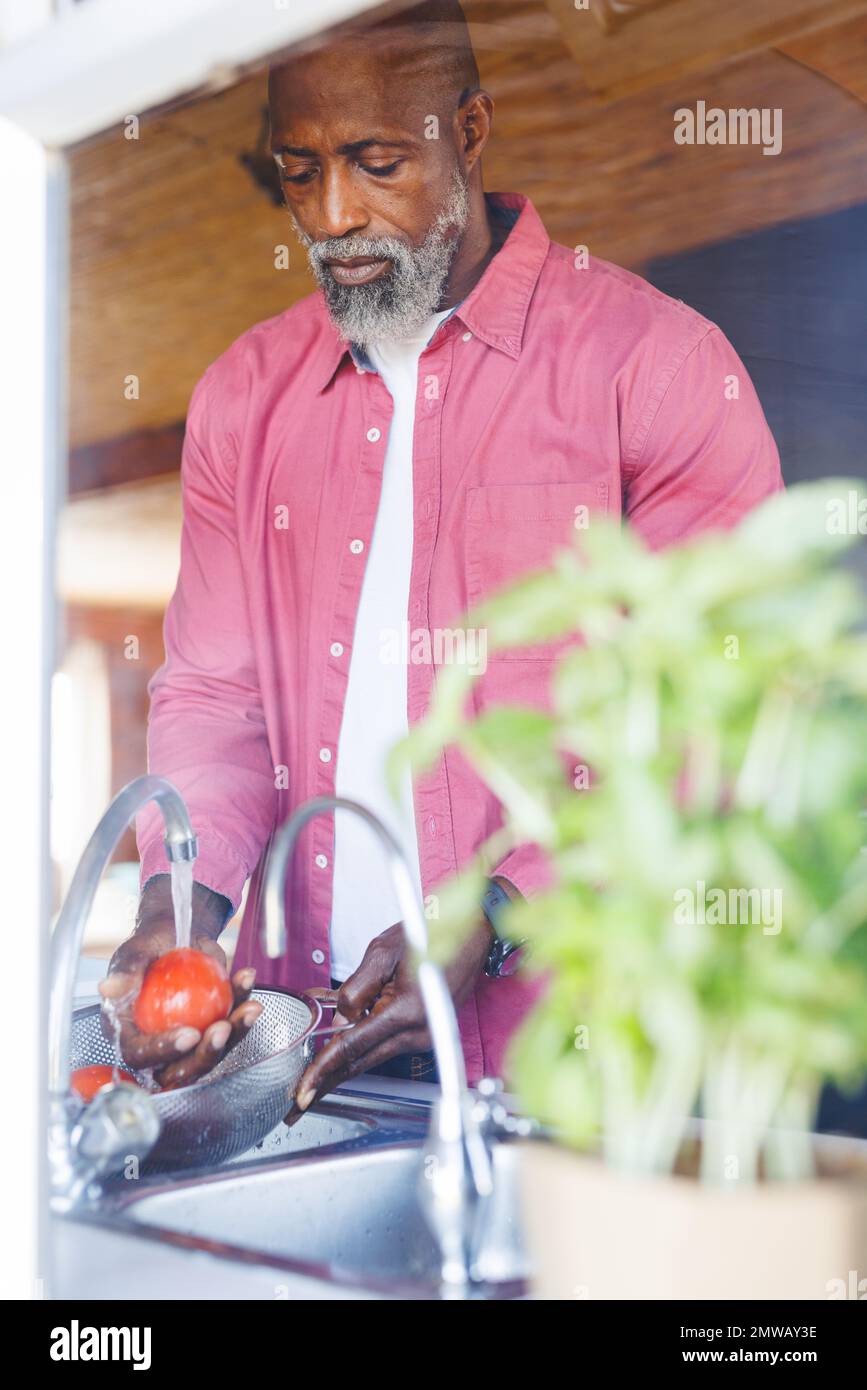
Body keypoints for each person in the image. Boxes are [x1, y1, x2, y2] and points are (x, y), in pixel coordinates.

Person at [100, 0, 782, 1107]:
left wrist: (492, 914)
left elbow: (715, 718)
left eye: (377, 162)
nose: (335, 213)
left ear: (468, 131)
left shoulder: (655, 368)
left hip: (579, 1076)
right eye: (301, 169)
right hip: (311, 1070)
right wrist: (174, 913)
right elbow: (217, 698)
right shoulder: (242, 397)